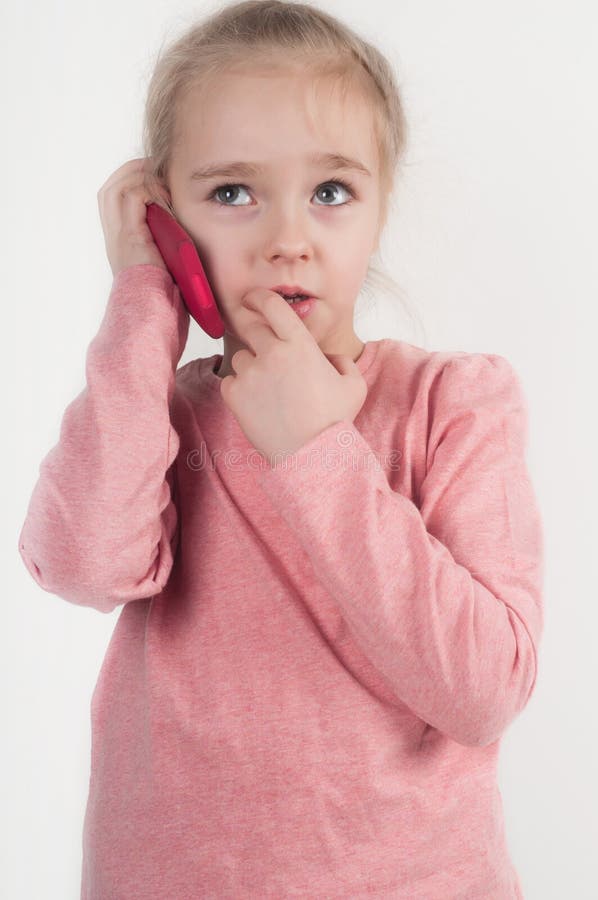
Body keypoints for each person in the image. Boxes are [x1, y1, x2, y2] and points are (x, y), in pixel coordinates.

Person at [17, 2, 544, 897]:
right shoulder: (157, 414)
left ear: (379, 208)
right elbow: (79, 566)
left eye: (331, 192)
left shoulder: (454, 401)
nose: (288, 238)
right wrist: (146, 301)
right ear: (166, 219)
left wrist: (314, 448)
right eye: (232, 193)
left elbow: (485, 688)